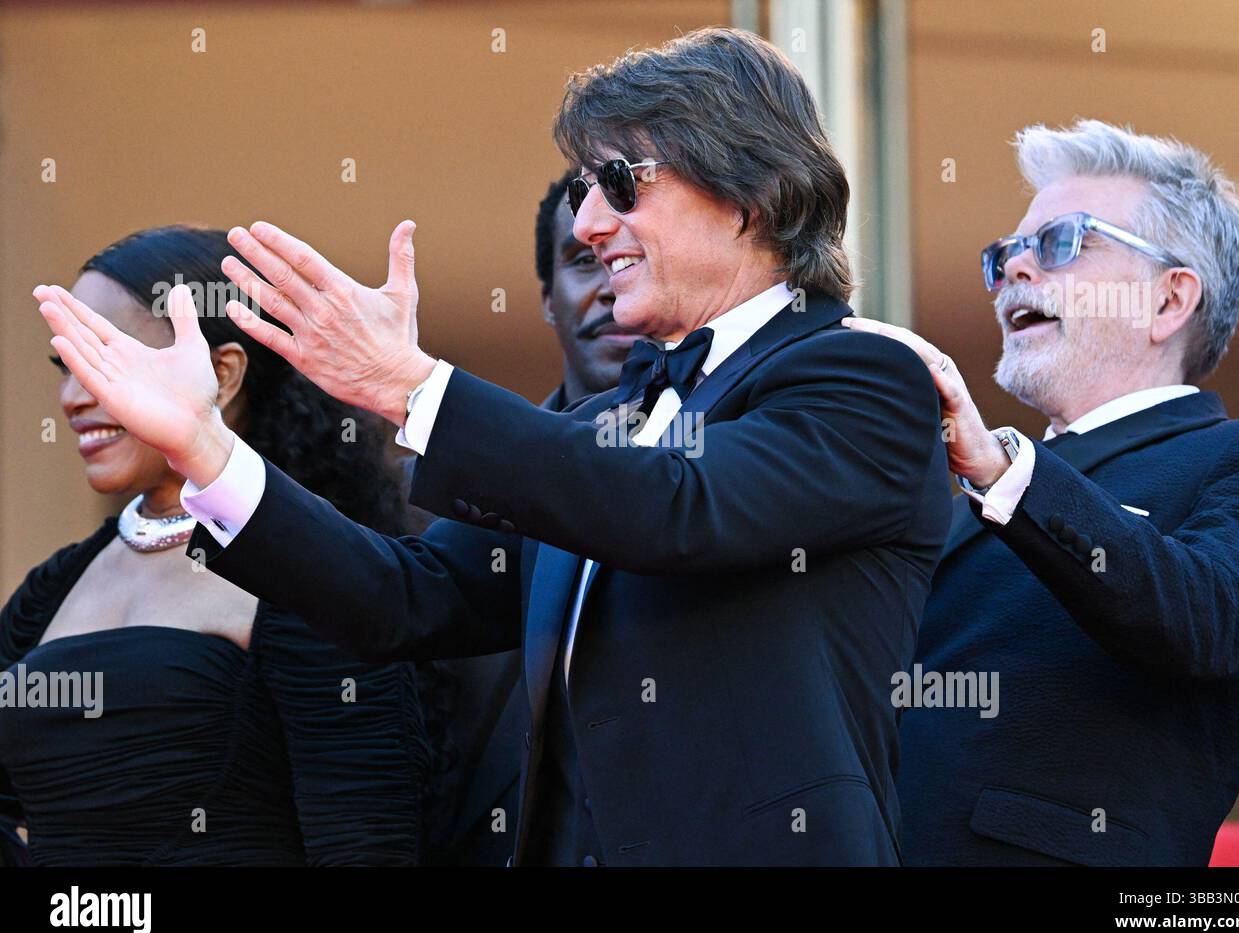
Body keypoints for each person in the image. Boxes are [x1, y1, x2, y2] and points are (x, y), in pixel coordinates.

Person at [37, 28, 951, 866]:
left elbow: (677, 510)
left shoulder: (862, 378)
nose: (589, 223)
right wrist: (204, 452)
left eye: (621, 182)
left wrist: (409, 386)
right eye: (586, 190)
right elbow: (405, 600)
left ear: (750, 194)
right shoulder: (604, 430)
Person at [844, 119, 1239, 865]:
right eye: (1005, 255)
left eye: (1062, 243)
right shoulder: (970, 494)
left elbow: (1208, 616)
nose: (1016, 270)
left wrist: (1002, 472)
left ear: (1168, 299)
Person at [4, 226, 435, 865]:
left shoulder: (311, 576)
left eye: (103, 360)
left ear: (223, 375)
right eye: (65, 365)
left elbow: (365, 837)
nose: (71, 397)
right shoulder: (52, 590)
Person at [426, 172, 638, 865]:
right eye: (583, 262)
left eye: (625, 259)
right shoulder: (444, 491)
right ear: (547, 299)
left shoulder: (737, 473)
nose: (607, 285)